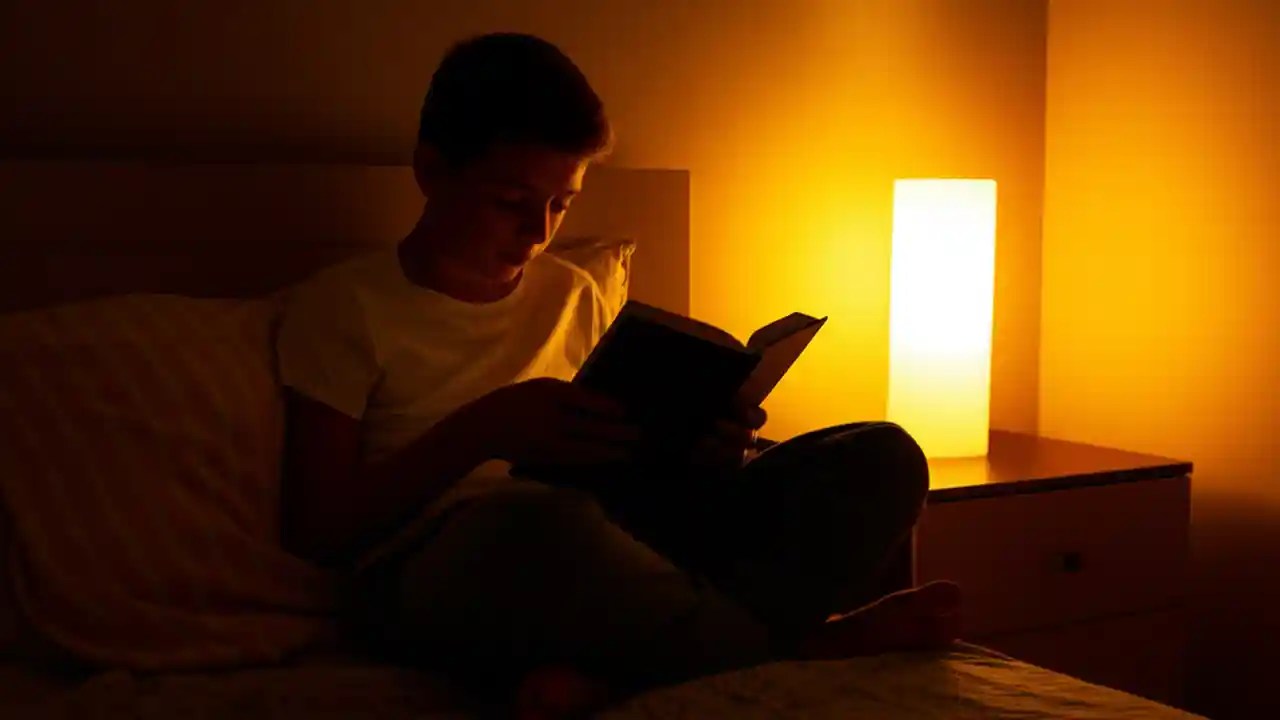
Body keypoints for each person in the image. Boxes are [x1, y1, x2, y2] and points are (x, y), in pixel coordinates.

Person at [277, 32, 961, 719]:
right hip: (452, 565)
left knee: (880, 456)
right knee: (536, 522)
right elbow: (320, 528)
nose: (537, 231)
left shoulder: (575, 291)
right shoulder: (344, 306)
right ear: (432, 170)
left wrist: (705, 447)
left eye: (561, 203)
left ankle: (612, 675)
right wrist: (482, 432)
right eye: (510, 201)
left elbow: (623, 455)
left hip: (615, 537)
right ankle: (814, 644)